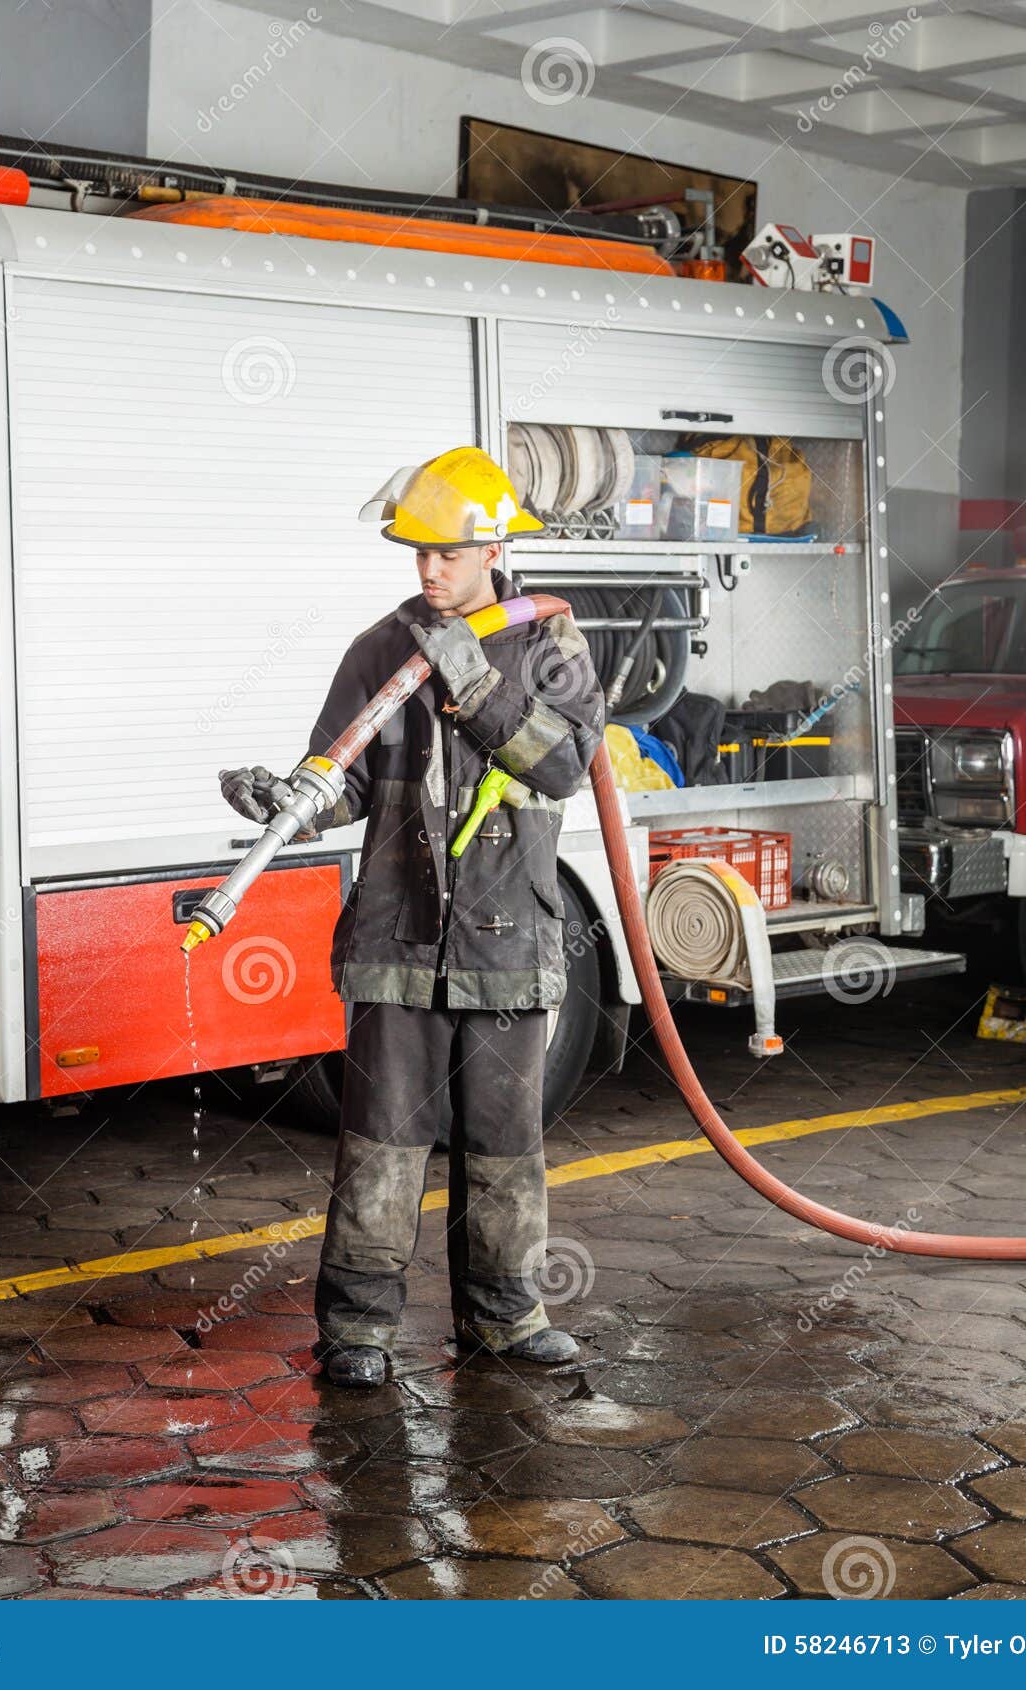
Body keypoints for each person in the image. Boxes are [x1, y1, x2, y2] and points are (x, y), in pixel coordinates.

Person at [219, 446, 605, 1388]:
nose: (428, 570)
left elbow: (561, 766)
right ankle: (357, 1332)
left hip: (507, 933)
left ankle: (506, 1320)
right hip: (397, 936)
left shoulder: (549, 642)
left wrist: (471, 682)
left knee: (505, 1142)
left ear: (491, 547)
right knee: (381, 1144)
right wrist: (288, 797)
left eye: (444, 554)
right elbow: (345, 781)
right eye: (416, 554)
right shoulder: (376, 648)